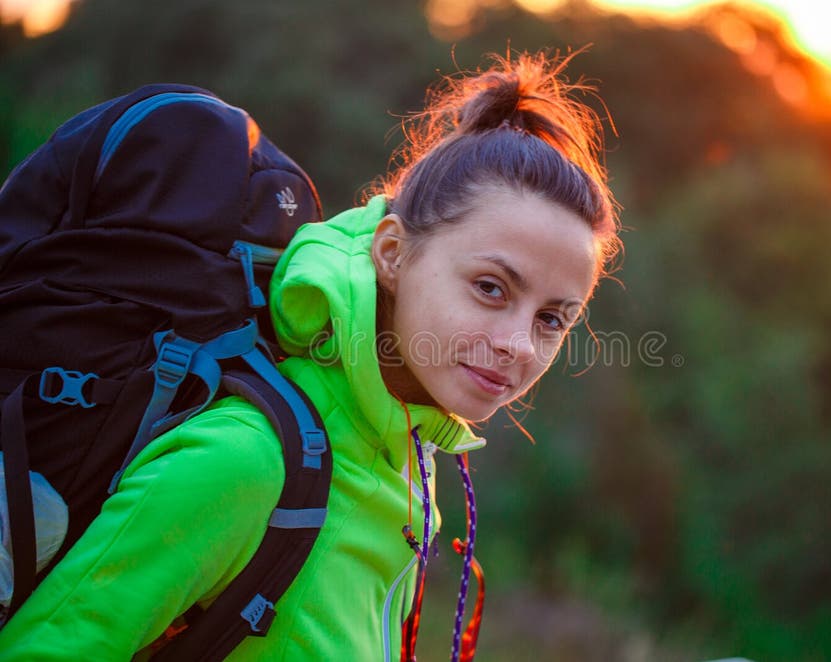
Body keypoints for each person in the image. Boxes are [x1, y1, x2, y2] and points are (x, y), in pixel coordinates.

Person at [0, 50, 621, 660]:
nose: (517, 344)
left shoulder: (402, 450)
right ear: (392, 253)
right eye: (491, 288)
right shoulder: (249, 462)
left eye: (551, 319)